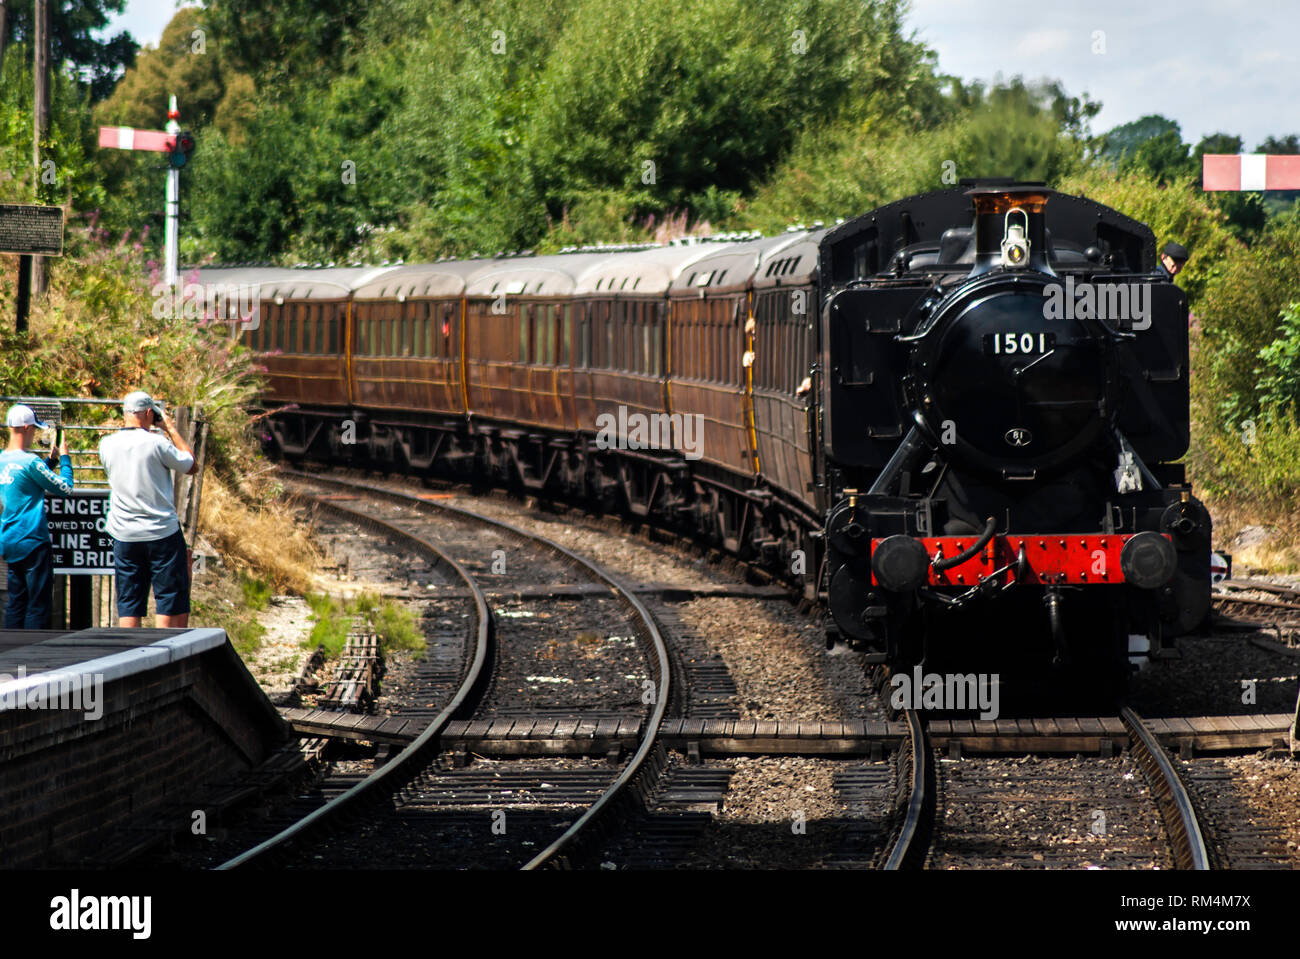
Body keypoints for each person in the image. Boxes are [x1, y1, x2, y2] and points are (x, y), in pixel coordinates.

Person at [98, 391, 197, 628]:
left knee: (129, 601)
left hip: (124, 533)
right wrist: (170, 428)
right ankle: (164, 657)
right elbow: (191, 465)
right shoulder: (158, 443)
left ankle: (130, 657)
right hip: (161, 531)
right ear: (150, 414)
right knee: (168, 598)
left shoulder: (106, 444)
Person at [0, 404, 73, 628]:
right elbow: (66, 488)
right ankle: (31, 657)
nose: (34, 434)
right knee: (37, 604)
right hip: (32, 540)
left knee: (16, 602)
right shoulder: (30, 461)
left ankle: (12, 656)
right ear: (25, 428)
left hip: (9, 541)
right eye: (33, 429)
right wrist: (66, 459)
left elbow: (24, 483)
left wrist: (49, 463)